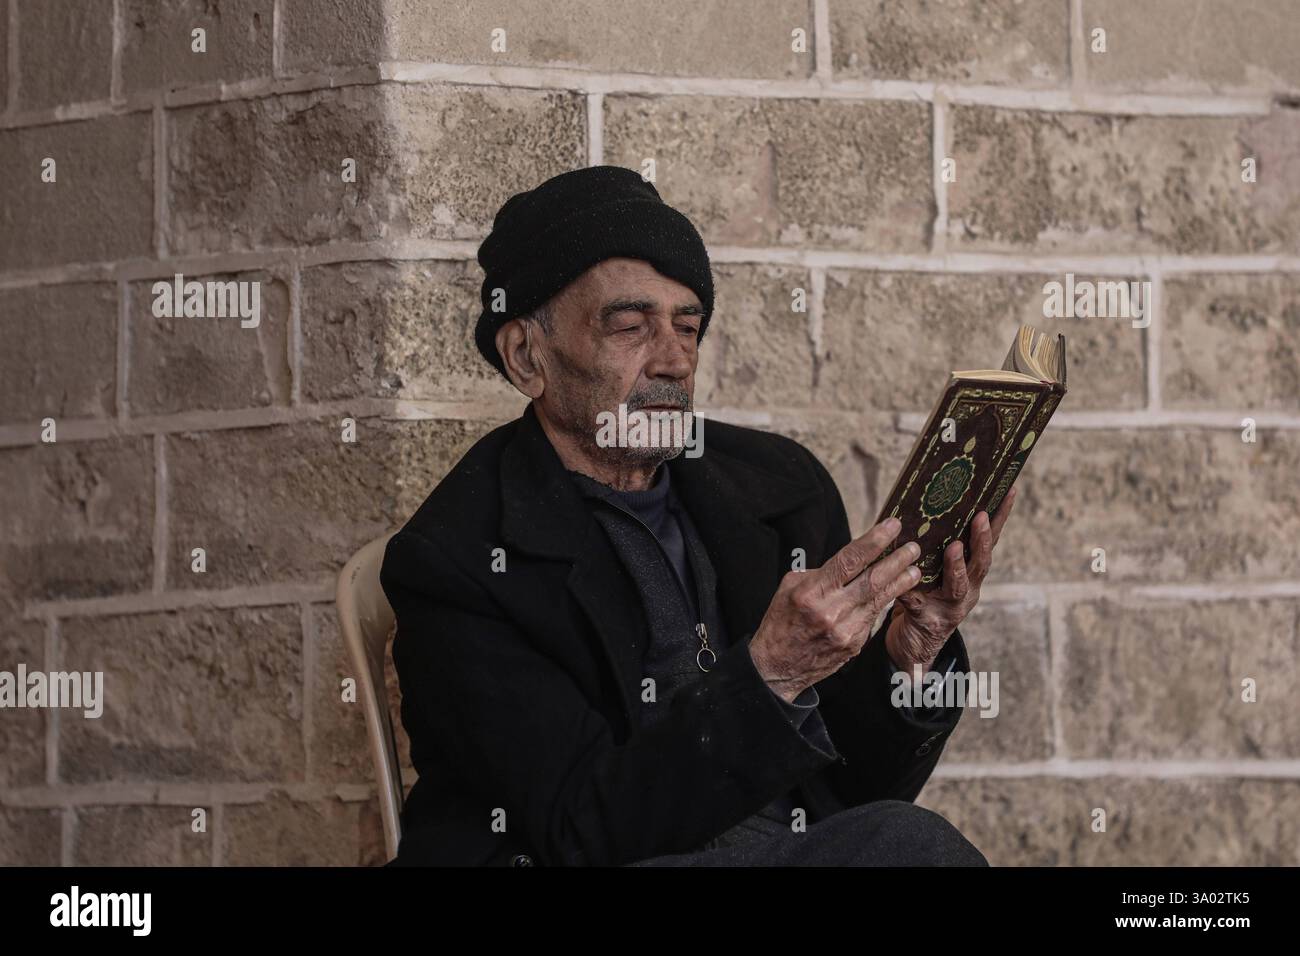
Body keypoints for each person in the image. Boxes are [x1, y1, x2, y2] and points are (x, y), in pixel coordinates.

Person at [380, 165, 1016, 867]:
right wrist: (769, 676)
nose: (674, 360)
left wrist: (908, 654)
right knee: (910, 848)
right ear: (528, 356)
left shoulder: (782, 488)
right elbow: (577, 829)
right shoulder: (458, 558)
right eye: (631, 327)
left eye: (688, 327)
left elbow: (855, 791)